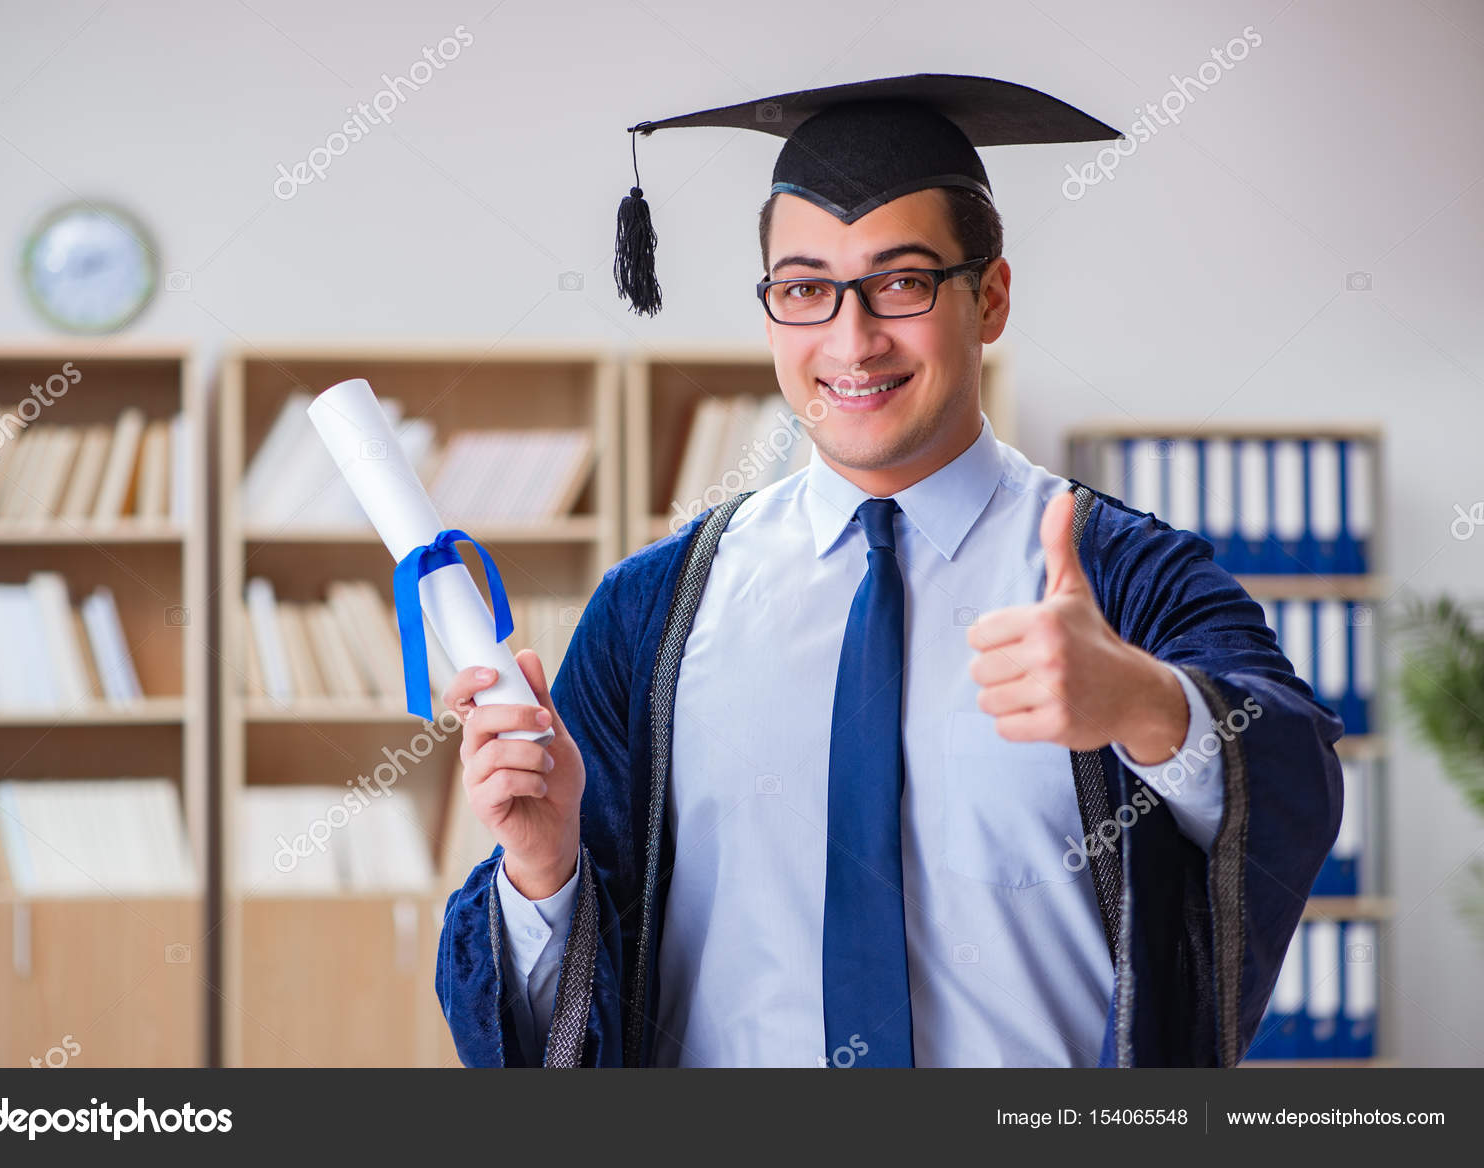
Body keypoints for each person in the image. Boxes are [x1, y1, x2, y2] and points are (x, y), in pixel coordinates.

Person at [433, 74, 1344, 1068]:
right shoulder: (653, 614)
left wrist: (1144, 703)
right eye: (804, 289)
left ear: (989, 297)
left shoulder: (1121, 576)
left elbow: (1293, 774)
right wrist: (541, 866)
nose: (851, 338)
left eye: (901, 283)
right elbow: (555, 1014)